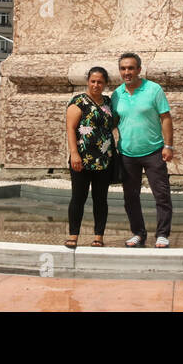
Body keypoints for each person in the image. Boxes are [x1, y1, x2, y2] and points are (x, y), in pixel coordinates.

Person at [110, 53, 173, 247]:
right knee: (130, 197)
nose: (127, 72)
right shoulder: (117, 94)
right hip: (127, 154)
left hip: (154, 151)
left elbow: (166, 118)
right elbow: (113, 122)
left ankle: (162, 234)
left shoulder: (154, 89)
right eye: (123, 68)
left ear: (139, 69)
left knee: (161, 195)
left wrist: (168, 145)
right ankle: (138, 233)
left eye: (131, 68)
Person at [65, 66, 116, 248]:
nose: (96, 85)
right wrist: (74, 154)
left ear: (105, 83)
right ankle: (73, 235)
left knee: (100, 199)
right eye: (93, 81)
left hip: (104, 159)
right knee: (78, 197)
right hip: (82, 159)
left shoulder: (108, 103)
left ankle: (98, 236)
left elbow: (112, 124)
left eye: (100, 82)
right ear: (88, 81)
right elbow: (70, 128)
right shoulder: (79, 102)